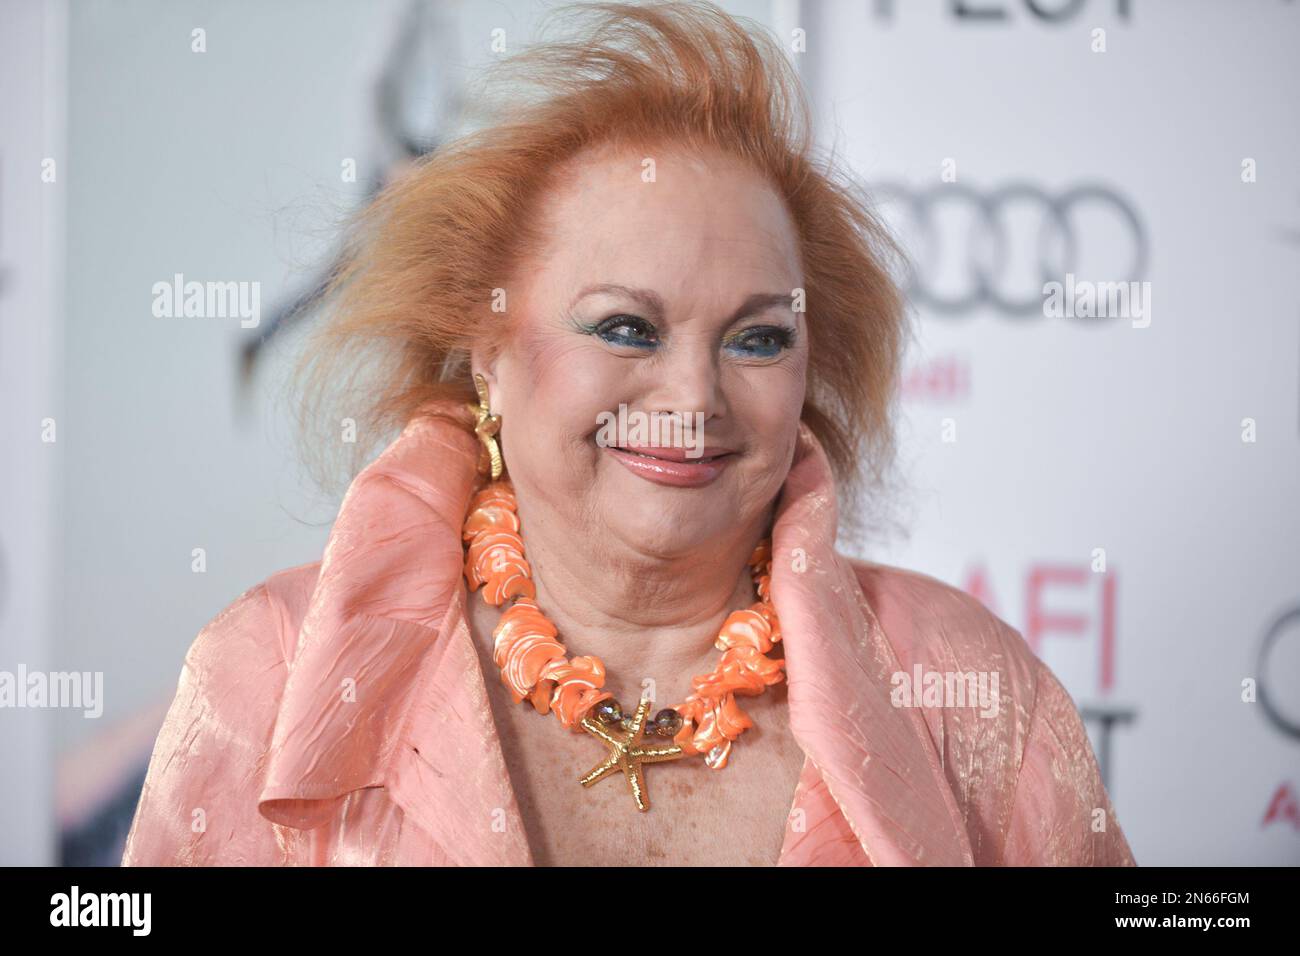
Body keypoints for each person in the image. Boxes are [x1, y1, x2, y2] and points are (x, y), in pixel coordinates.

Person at [121, 0, 1135, 867]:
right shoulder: (269, 669)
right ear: (488, 351)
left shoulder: (974, 691)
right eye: (623, 326)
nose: (693, 393)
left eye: (756, 337)